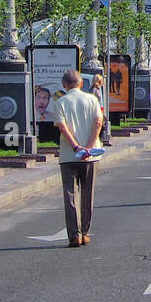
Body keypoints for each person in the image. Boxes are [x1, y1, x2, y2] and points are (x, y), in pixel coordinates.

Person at [49, 68, 104, 248]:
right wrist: (88, 147)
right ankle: (85, 233)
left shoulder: (60, 102)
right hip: (91, 156)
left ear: (64, 85)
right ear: (81, 83)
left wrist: (76, 147)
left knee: (70, 195)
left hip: (68, 156)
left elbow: (62, 128)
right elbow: (98, 122)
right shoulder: (92, 99)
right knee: (88, 194)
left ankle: (74, 234)